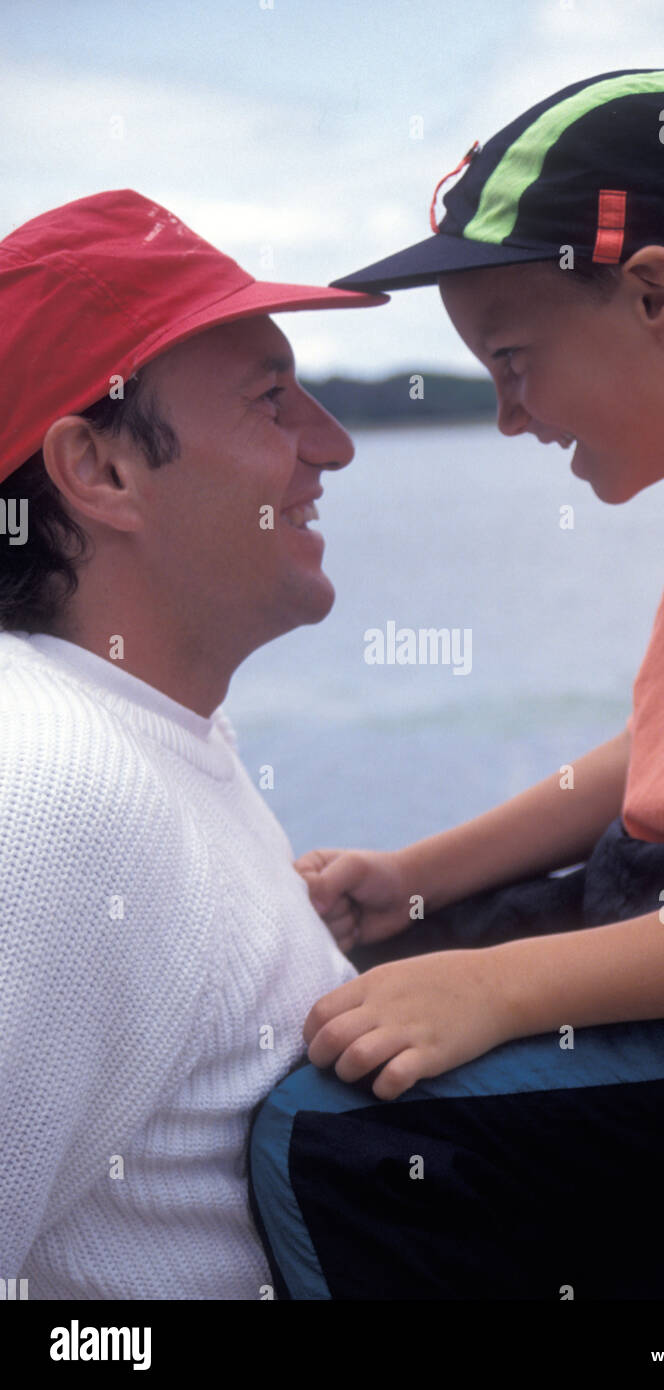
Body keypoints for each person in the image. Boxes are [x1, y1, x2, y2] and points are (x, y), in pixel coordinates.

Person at [248, 68, 664, 1300]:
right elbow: (660, 749)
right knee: (334, 999)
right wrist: (417, 883)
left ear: (656, 293)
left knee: (333, 1135)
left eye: (513, 362)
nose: (509, 418)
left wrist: (498, 984)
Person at [0, 188, 389, 1299]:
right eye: (272, 401)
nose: (334, 443)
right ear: (101, 472)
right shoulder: (48, 789)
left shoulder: (150, 736)